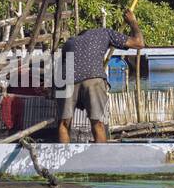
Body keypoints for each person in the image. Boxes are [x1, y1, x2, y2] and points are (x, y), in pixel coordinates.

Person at [56, 9, 145, 143]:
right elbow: (139, 43)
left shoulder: (69, 42)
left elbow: (59, 70)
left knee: (63, 124)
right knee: (97, 124)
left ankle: (63, 161)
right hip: (93, 77)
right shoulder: (105, 33)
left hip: (66, 79)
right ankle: (100, 159)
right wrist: (132, 21)